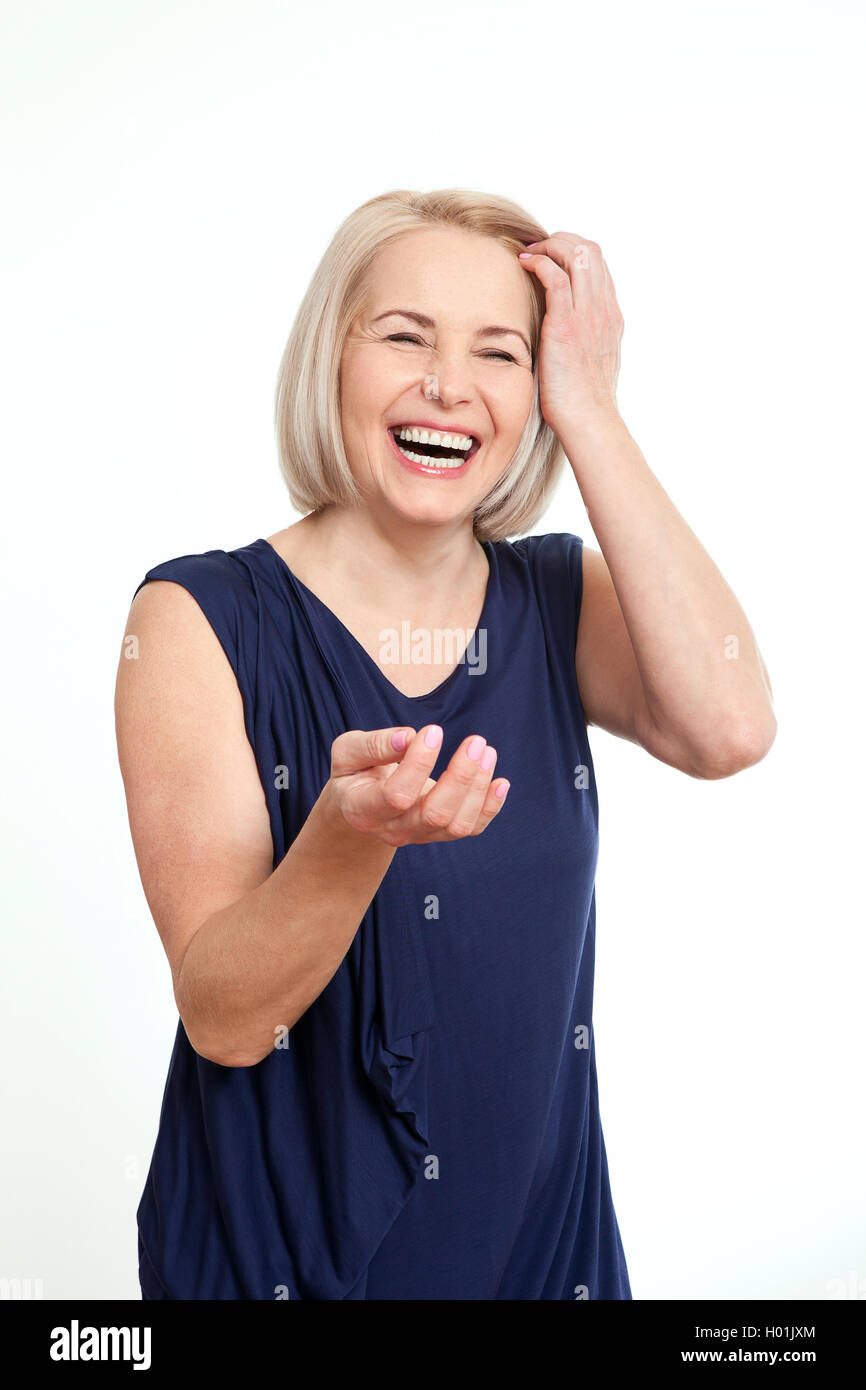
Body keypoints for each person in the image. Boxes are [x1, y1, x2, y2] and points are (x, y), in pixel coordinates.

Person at [114, 188, 777, 1300]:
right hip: (285, 1264)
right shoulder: (197, 618)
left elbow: (729, 726)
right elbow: (226, 1018)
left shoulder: (558, 601)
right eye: (405, 336)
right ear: (333, 358)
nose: (447, 385)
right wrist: (347, 837)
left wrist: (595, 413)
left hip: (541, 1265)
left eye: (499, 353)